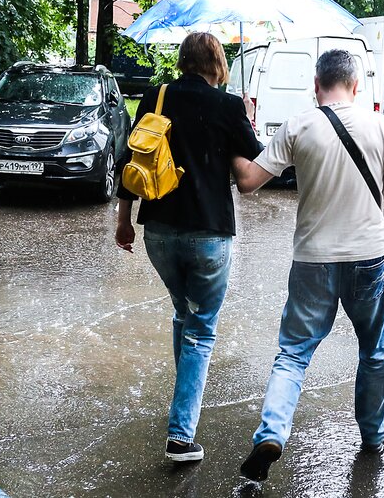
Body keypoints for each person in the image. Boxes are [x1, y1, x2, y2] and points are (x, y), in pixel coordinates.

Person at [230, 49, 384, 482]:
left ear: (316, 86)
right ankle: (373, 436)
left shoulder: (299, 125)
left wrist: (235, 128)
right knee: (373, 351)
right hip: (368, 259)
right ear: (356, 86)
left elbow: (248, 181)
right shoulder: (380, 126)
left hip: (312, 261)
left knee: (293, 354)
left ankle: (272, 433)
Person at [114, 32, 261, 462]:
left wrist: (124, 220)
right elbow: (252, 169)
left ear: (183, 61)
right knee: (200, 330)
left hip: (158, 230)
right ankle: (180, 435)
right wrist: (247, 117)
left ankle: (185, 395)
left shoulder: (156, 97)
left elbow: (132, 161)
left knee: (185, 314)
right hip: (210, 234)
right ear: (217, 63)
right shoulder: (229, 105)